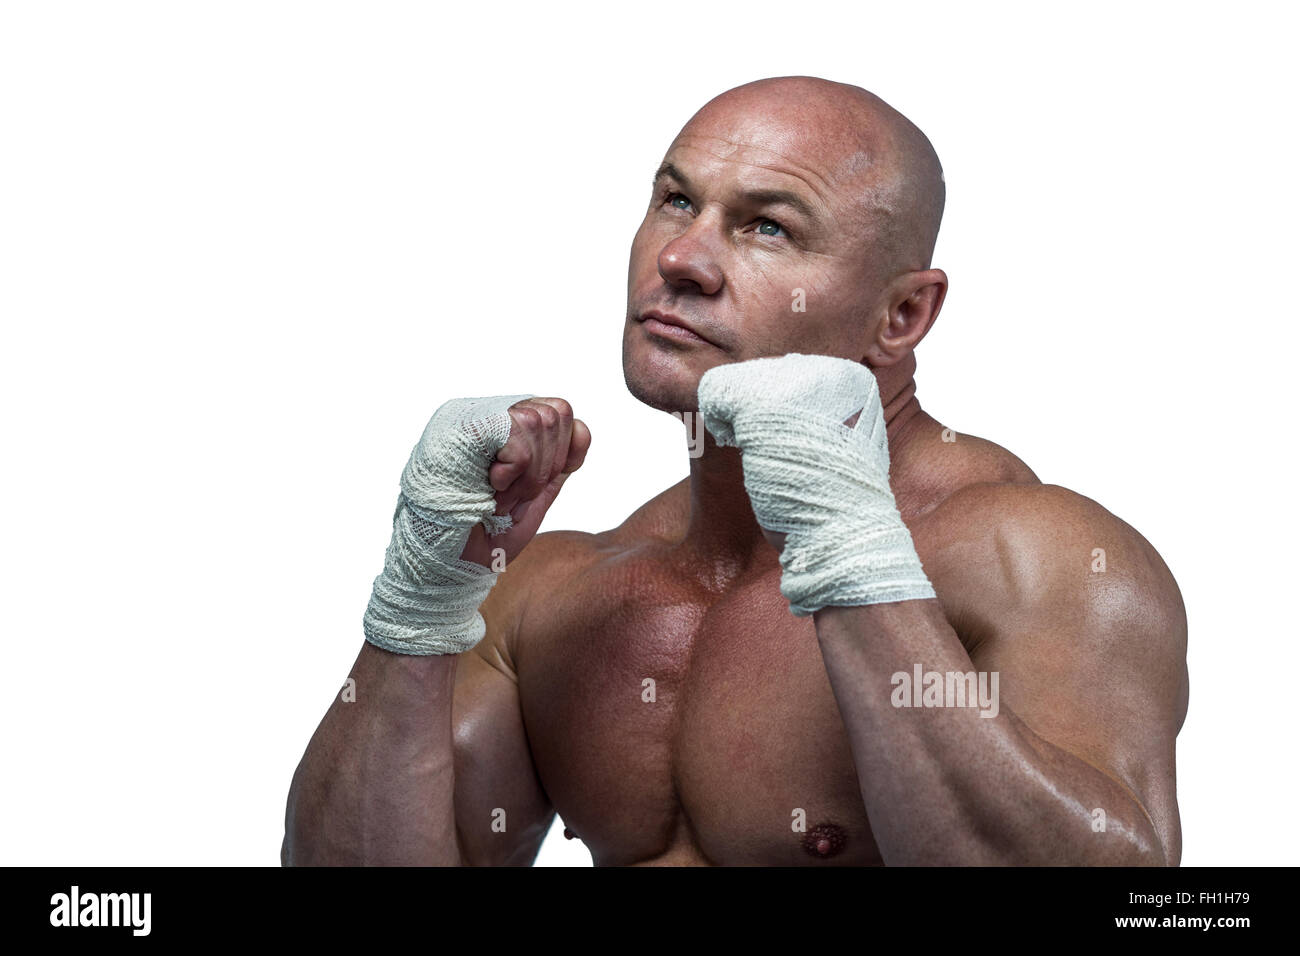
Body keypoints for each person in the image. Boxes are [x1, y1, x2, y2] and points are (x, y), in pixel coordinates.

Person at [282, 75, 1188, 866]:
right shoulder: (561, 589)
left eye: (767, 226)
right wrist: (424, 597)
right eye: (676, 201)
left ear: (902, 315)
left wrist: (849, 551)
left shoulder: (1038, 558)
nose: (680, 261)